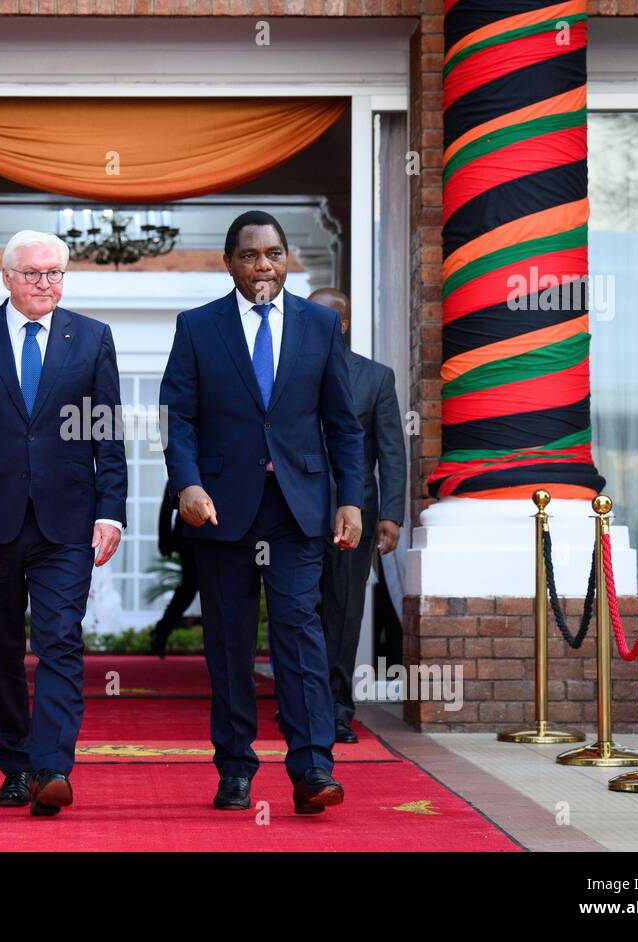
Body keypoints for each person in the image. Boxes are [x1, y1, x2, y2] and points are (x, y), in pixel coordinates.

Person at [160, 211, 365, 815]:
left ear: (286, 259)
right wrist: (187, 485)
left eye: (274, 254)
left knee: (300, 637)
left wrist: (350, 497)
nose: (263, 265)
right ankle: (235, 769)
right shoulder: (198, 328)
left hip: (298, 511)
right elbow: (178, 420)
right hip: (221, 512)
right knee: (228, 644)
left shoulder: (320, 325)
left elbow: (343, 426)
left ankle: (312, 769)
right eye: (250, 256)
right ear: (230, 263)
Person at [0, 230, 128, 817]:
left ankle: (51, 767)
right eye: (35, 273)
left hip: (67, 519)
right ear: (7, 277)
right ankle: (14, 763)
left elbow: (107, 434)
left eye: (56, 273)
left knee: (61, 638)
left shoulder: (91, 339)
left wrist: (111, 510)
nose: (46, 284)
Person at [307, 288, 405, 744]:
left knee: (345, 613)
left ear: (340, 325)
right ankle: (303, 706)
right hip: (298, 514)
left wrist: (391, 514)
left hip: (355, 517)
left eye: (317, 316)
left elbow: (391, 449)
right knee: (302, 610)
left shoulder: (376, 377)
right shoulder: (288, 373)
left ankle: (339, 711)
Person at [149, 482, 198, 658]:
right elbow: (167, 508)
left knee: (190, 589)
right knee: (189, 588)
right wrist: (165, 540)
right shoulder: (184, 467)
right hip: (188, 538)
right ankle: (161, 632)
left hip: (216, 537)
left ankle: (160, 632)